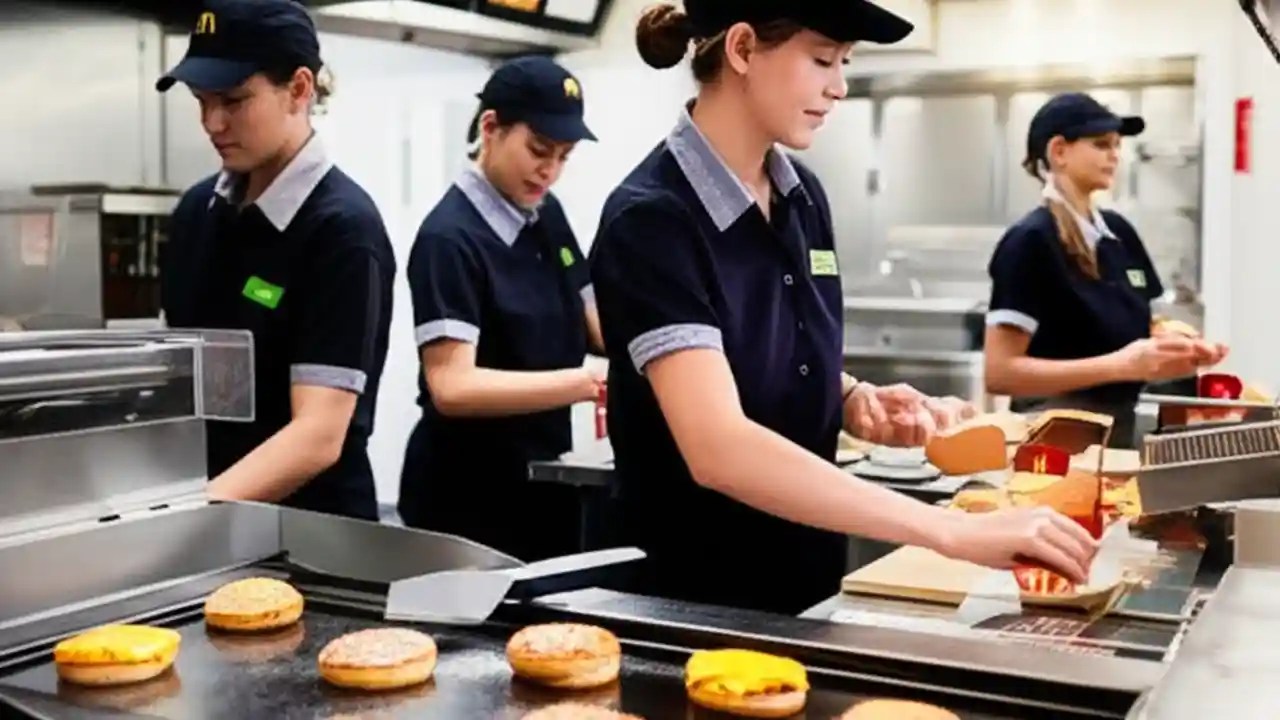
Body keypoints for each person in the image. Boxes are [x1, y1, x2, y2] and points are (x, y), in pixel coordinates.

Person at [588, 0, 1099, 615]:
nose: (840, 86)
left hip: (802, 580)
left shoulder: (801, 197)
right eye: (823, 60)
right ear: (743, 49)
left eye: (845, 62)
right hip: (691, 596)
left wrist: (853, 398)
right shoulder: (653, 220)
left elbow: (768, 355)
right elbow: (717, 446)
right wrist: (950, 531)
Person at [158, 0, 396, 521]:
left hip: (311, 537)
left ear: (300, 89)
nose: (212, 122)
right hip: (209, 526)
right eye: (202, 101)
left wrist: (188, 517)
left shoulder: (343, 230)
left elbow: (317, 436)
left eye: (235, 100)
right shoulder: (197, 213)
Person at [399, 56, 603, 561]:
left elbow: (598, 325)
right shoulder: (450, 237)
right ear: (490, 127)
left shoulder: (545, 214)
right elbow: (454, 386)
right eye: (538, 150)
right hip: (465, 496)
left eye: (564, 156)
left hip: (542, 482)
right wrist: (588, 385)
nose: (550, 171)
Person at [984, 92, 1227, 448]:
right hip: (1055, 438)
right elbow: (1001, 373)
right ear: (1059, 152)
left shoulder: (1118, 235)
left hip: (1120, 429)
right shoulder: (1031, 241)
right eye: (1101, 144)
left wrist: (1175, 344)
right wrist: (1122, 365)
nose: (1115, 155)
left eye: (1117, 145)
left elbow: (1142, 321)